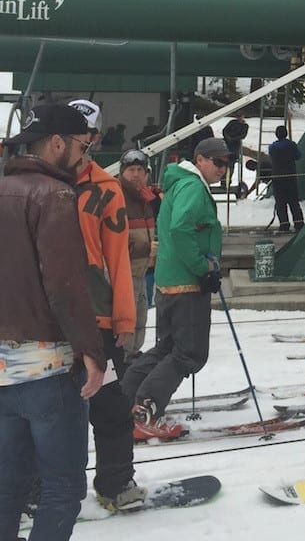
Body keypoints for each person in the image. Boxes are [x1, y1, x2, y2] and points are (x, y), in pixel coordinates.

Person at [0, 103, 107, 541]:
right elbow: (65, 284)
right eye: (83, 146)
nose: (85, 157)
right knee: (63, 485)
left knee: (11, 479)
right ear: (58, 143)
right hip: (45, 361)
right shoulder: (55, 195)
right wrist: (92, 350)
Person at [66, 100, 145, 511]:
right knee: (50, 414)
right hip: (44, 323)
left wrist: (124, 318)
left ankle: (114, 482)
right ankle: (39, 487)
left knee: (110, 408)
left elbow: (118, 260)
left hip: (96, 321)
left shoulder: (104, 188)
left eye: (82, 133)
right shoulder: (32, 180)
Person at [122, 136, 227, 437]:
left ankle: (125, 399)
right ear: (200, 160)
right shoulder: (193, 187)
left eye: (226, 163)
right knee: (190, 353)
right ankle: (145, 409)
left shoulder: (179, 183)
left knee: (166, 348)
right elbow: (181, 227)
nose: (223, 168)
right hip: (186, 282)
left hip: (169, 280)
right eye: (217, 162)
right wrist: (201, 267)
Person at [118, 149, 158, 359]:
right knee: (126, 325)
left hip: (142, 272)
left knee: (141, 320)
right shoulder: (117, 198)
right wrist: (144, 249)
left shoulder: (146, 199)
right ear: (122, 172)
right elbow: (110, 241)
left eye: (139, 170)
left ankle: (132, 360)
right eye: (131, 170)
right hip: (122, 276)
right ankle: (122, 365)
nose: (135, 175)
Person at [269, 124, 305, 233]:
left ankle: (284, 225)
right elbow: (298, 156)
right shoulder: (292, 145)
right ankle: (298, 223)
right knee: (293, 201)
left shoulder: (272, 147)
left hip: (277, 177)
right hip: (290, 176)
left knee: (280, 202)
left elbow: (271, 158)